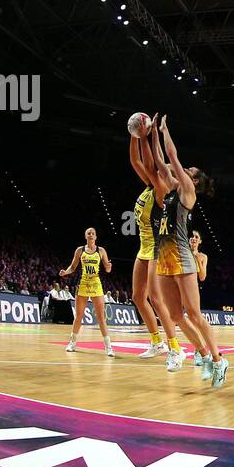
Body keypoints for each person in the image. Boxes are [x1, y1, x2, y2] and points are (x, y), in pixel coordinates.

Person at [148, 114, 228, 387]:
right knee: (174, 316)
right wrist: (152, 136)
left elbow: (172, 155)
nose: (183, 172)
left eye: (188, 172)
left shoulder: (187, 193)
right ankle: (204, 354)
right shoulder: (171, 190)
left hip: (182, 256)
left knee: (194, 314)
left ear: (194, 181)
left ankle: (219, 360)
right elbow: (161, 162)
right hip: (163, 257)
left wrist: (164, 129)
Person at [127, 119, 180, 360]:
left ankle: (175, 348)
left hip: (158, 249)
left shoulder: (163, 190)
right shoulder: (150, 186)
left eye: (164, 167)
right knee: (138, 297)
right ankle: (157, 342)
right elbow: (136, 162)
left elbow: (148, 164)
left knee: (157, 300)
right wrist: (134, 134)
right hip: (144, 247)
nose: (160, 168)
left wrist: (145, 136)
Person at [59, 227, 115, 357]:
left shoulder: (101, 251)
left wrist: (108, 267)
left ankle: (108, 347)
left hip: (96, 284)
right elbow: (73, 267)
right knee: (79, 316)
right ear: (85, 236)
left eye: (93, 233)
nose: (91, 235)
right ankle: (72, 343)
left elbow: (107, 269)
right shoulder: (80, 250)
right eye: (88, 233)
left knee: (101, 318)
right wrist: (65, 272)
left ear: (96, 237)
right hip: (83, 284)